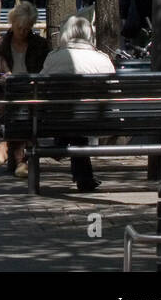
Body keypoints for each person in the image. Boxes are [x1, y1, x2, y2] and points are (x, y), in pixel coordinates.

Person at [41, 15, 115, 192]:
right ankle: (84, 177)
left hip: (60, 120)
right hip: (98, 119)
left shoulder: (54, 58)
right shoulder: (103, 59)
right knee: (78, 127)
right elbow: (113, 90)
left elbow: (42, 87)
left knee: (71, 121)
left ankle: (61, 143)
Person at [0, 1, 48, 177]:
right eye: (20, 27)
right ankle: (20, 161)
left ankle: (7, 150)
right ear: (12, 24)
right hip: (6, 96)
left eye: (27, 28)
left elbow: (46, 73)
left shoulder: (40, 45)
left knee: (25, 108)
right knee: (15, 108)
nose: (23, 32)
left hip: (32, 95)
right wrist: (3, 80)